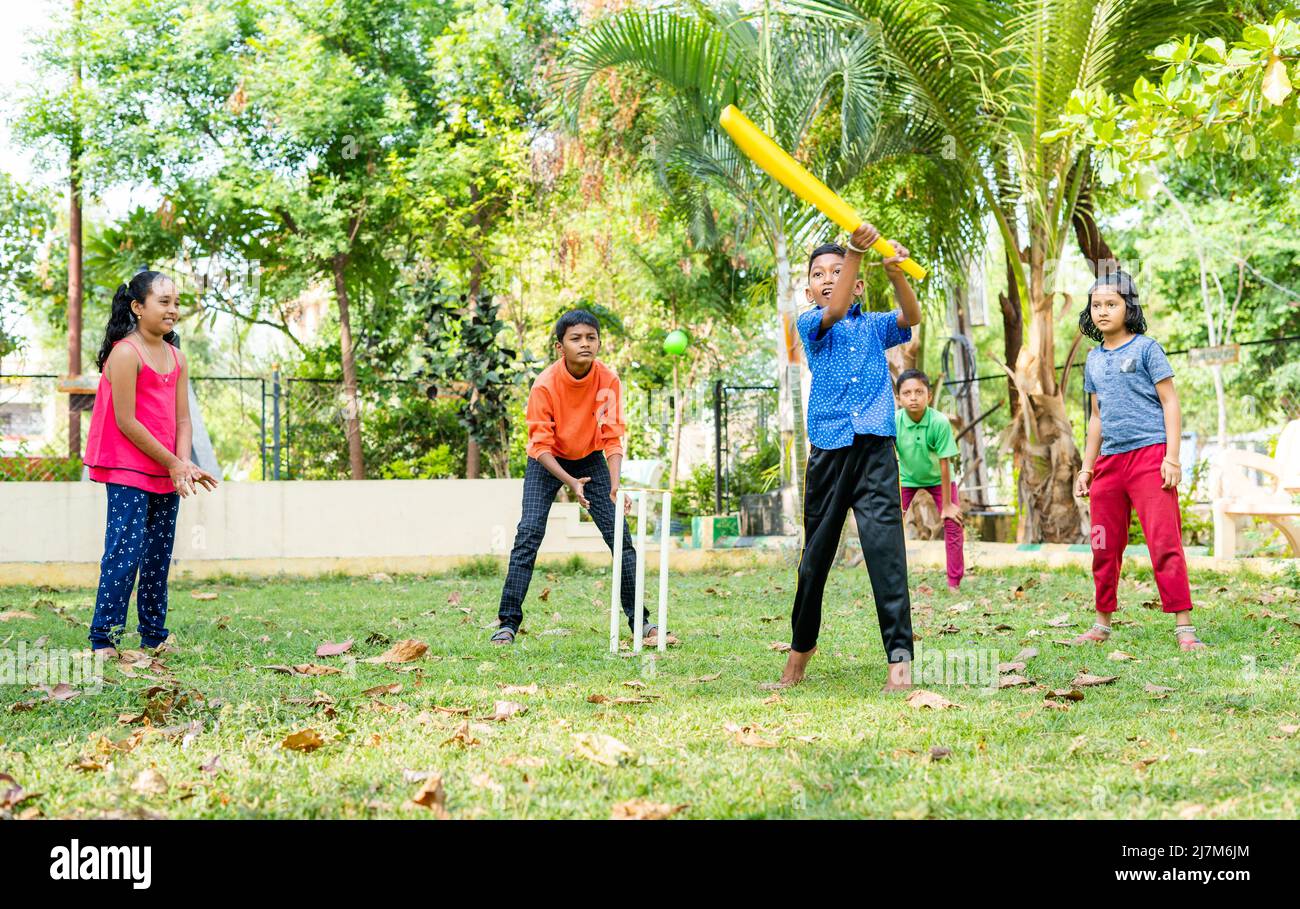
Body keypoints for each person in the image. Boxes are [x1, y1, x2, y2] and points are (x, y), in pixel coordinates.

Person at [770, 223, 921, 691]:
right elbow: (833, 311)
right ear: (810, 287)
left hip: (876, 450)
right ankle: (800, 651)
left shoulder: (875, 326)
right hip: (830, 454)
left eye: (840, 271)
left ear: (858, 284)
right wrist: (855, 248)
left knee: (886, 554)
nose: (830, 278)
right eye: (819, 273)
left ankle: (899, 659)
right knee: (815, 558)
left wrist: (895, 273)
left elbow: (910, 316)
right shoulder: (811, 324)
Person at [491, 309, 669, 646]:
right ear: (561, 347)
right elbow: (539, 445)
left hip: (590, 459)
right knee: (528, 533)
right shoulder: (544, 384)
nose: (584, 344)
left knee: (621, 538)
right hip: (547, 461)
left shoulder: (608, 380)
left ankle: (641, 624)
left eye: (591, 337)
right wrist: (570, 483)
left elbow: (612, 436)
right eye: (576, 338)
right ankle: (507, 623)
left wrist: (615, 484)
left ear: (599, 342)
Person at [83, 270, 217, 656]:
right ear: (137, 307)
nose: (173, 309)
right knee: (124, 555)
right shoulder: (126, 353)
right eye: (163, 302)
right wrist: (176, 463)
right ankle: (103, 640)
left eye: (176, 302)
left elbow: (183, 420)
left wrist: (183, 465)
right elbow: (127, 422)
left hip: (165, 469)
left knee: (158, 556)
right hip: (128, 469)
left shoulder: (177, 357)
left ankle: (154, 636)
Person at [1071, 270, 1205, 651]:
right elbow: (1096, 418)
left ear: (1128, 308)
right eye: (1096, 305)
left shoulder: (1147, 349)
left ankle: (1184, 627)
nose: (1102, 311)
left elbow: (1170, 402)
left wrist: (1172, 458)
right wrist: (1086, 467)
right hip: (1110, 464)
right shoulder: (1093, 360)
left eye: (1111, 304)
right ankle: (1101, 623)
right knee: (1103, 546)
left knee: (1164, 541)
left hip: (1150, 458)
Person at [894, 369, 964, 590]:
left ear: (929, 396)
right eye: (907, 393)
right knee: (889, 524)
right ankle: (893, 582)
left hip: (939, 478)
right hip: (907, 479)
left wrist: (946, 505)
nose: (913, 397)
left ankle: (954, 583)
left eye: (919, 392)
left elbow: (945, 462)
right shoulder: (893, 422)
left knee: (953, 522)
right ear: (898, 398)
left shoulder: (939, 422)